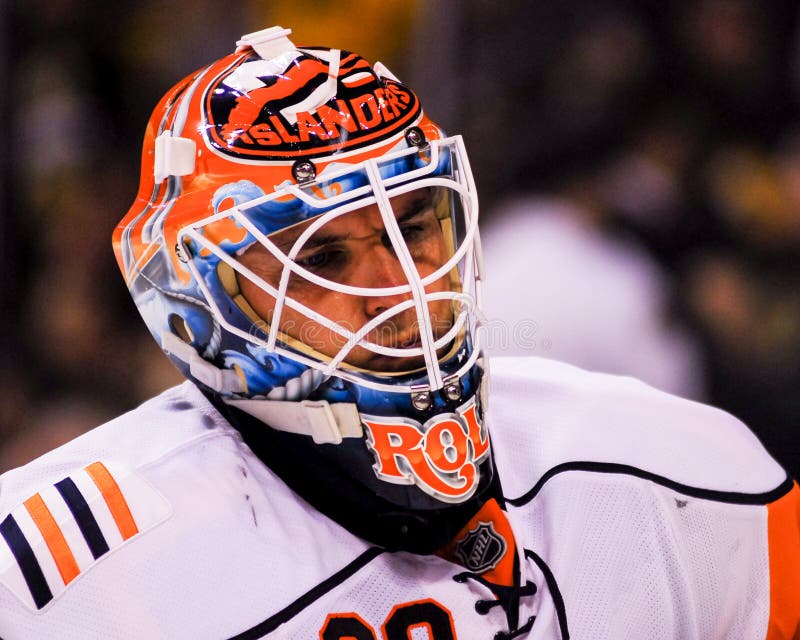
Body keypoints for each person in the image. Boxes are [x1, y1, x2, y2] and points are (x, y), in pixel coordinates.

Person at [0, 25, 798, 640]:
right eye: (321, 255)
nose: (397, 291)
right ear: (200, 305)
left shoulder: (672, 474)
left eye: (412, 227)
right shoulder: (64, 575)